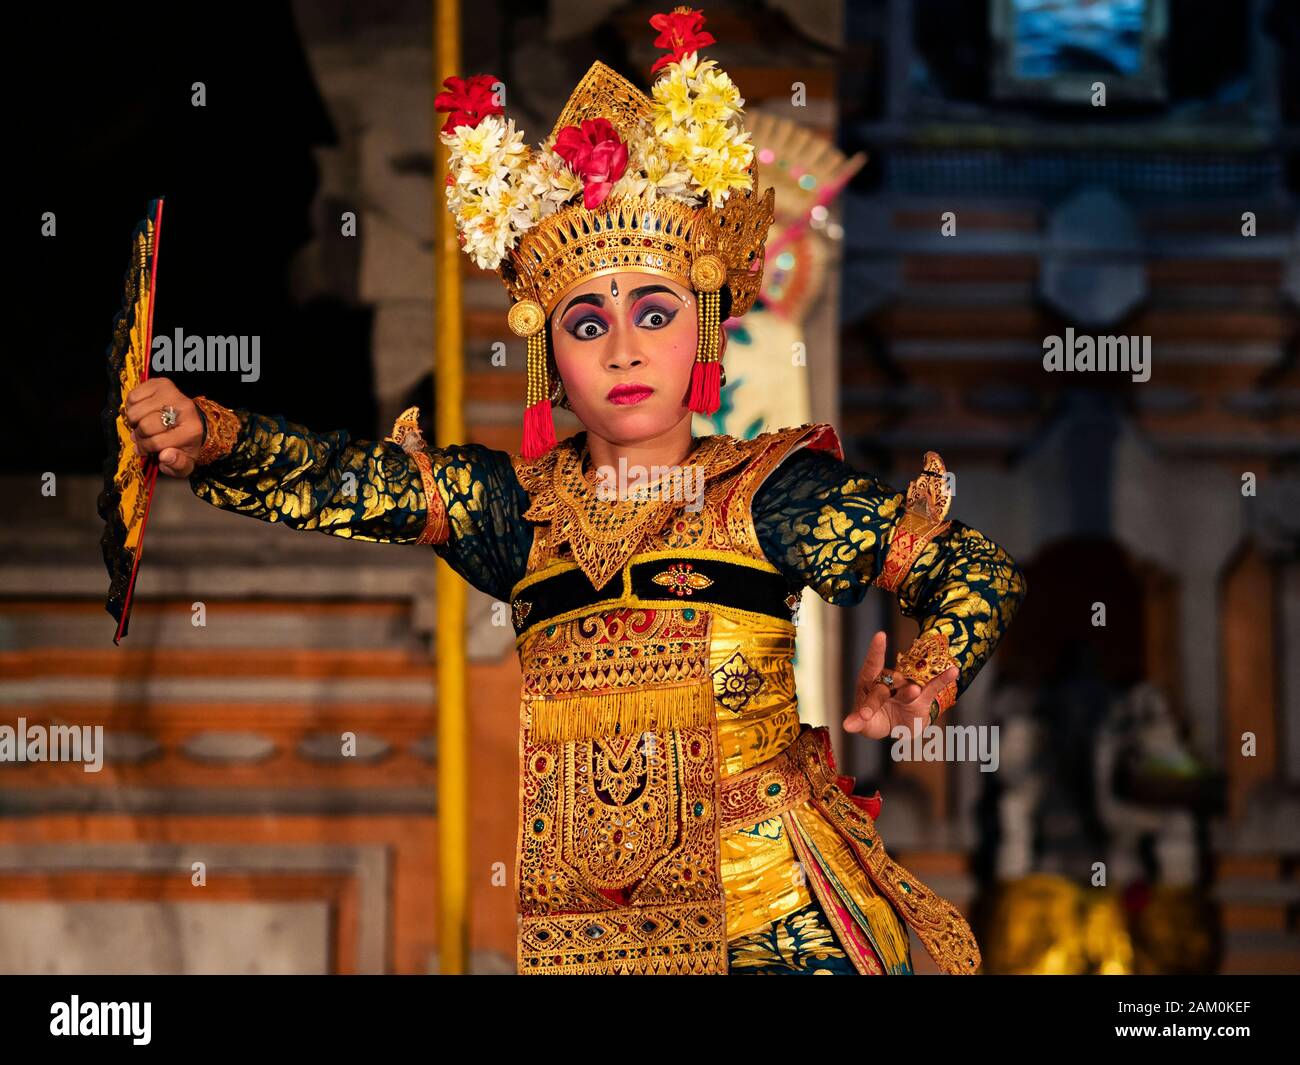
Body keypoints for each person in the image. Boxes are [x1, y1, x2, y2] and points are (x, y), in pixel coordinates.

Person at [121, 8, 1024, 975]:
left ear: (704, 335)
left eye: (654, 313)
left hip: (779, 930)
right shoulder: (513, 514)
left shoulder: (770, 493)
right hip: (596, 947)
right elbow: (351, 481)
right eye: (587, 323)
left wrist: (924, 675)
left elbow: (970, 567)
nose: (624, 348)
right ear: (550, 352)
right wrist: (211, 435)